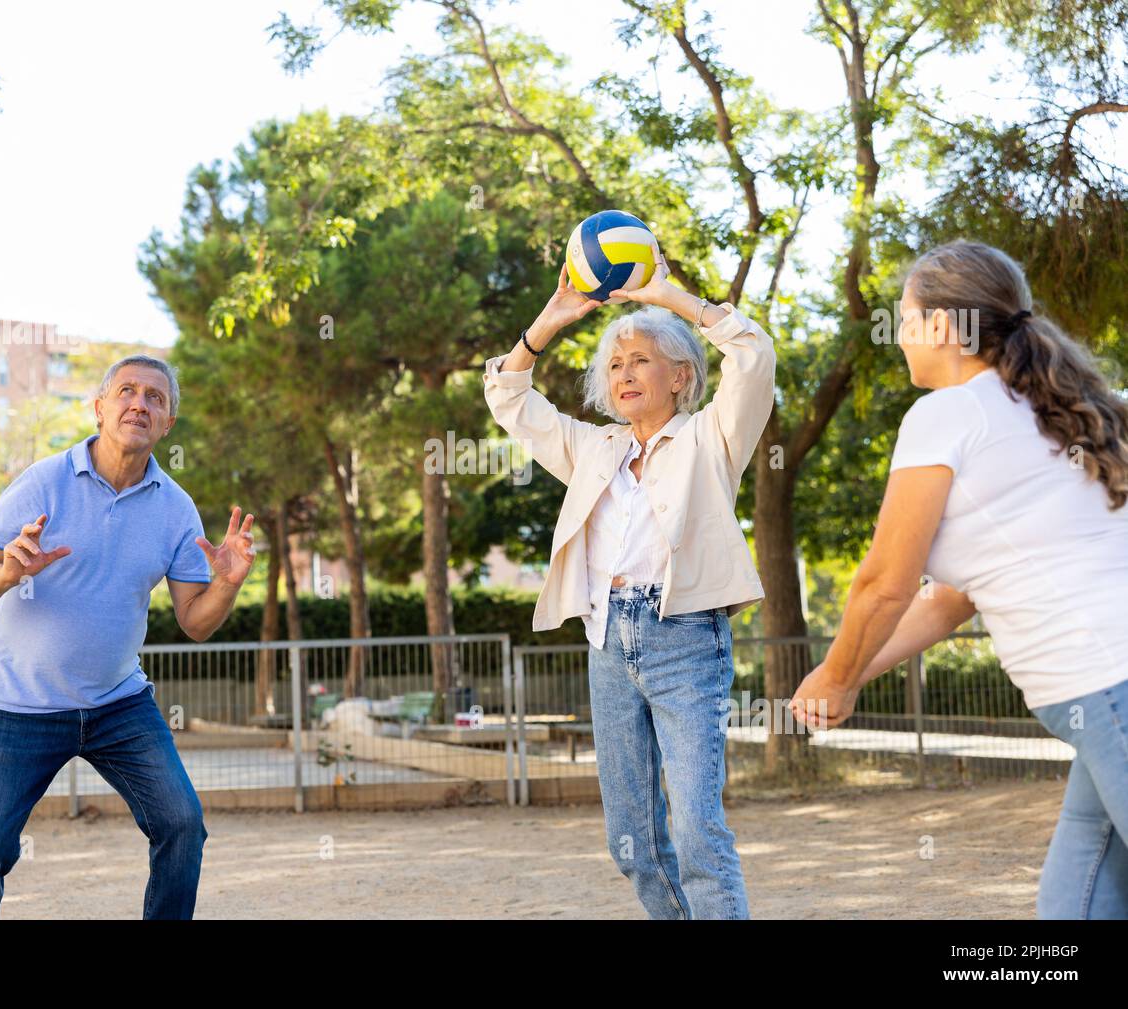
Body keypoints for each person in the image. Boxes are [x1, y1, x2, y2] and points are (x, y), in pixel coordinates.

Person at [790, 239, 1128, 919]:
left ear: (942, 326)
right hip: (1105, 697)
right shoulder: (1064, 405)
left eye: (906, 319)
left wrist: (831, 675)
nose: (902, 337)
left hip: (1109, 683)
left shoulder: (947, 414)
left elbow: (884, 581)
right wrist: (847, 675)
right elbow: (946, 602)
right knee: (1077, 903)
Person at [483, 257, 776, 919]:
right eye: (615, 366)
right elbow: (507, 398)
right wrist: (548, 323)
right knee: (633, 842)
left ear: (681, 376)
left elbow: (754, 356)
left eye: (641, 360)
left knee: (697, 829)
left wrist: (671, 295)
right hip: (609, 643)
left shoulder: (710, 439)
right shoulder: (594, 448)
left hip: (687, 640)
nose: (625, 373)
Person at [0, 354, 257, 920]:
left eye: (155, 398)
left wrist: (228, 584)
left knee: (182, 824)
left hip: (117, 704)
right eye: (127, 392)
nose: (140, 403)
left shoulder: (177, 510)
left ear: (167, 424)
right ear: (100, 409)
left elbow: (196, 622)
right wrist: (5, 574)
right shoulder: (42, 483)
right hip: (18, 704)